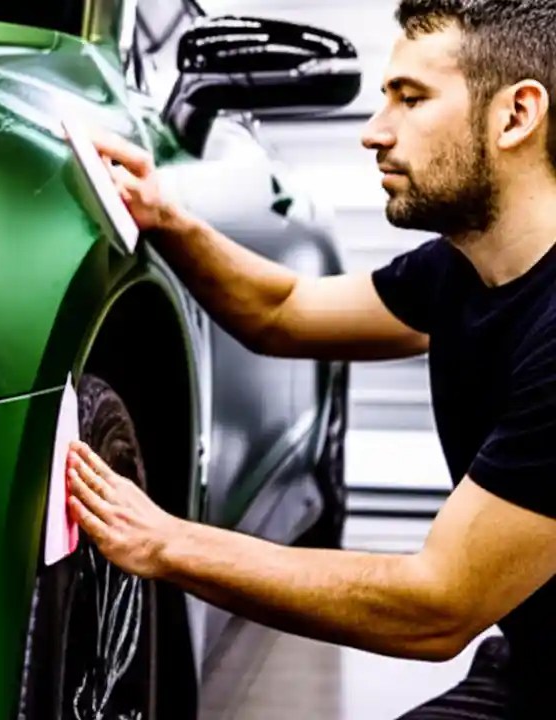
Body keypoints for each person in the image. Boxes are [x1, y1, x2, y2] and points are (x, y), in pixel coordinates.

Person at [64, 1, 556, 717]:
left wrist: (165, 542)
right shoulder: (459, 270)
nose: (373, 132)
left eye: (411, 98)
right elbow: (283, 311)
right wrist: (165, 217)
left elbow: (438, 607)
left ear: (516, 116)